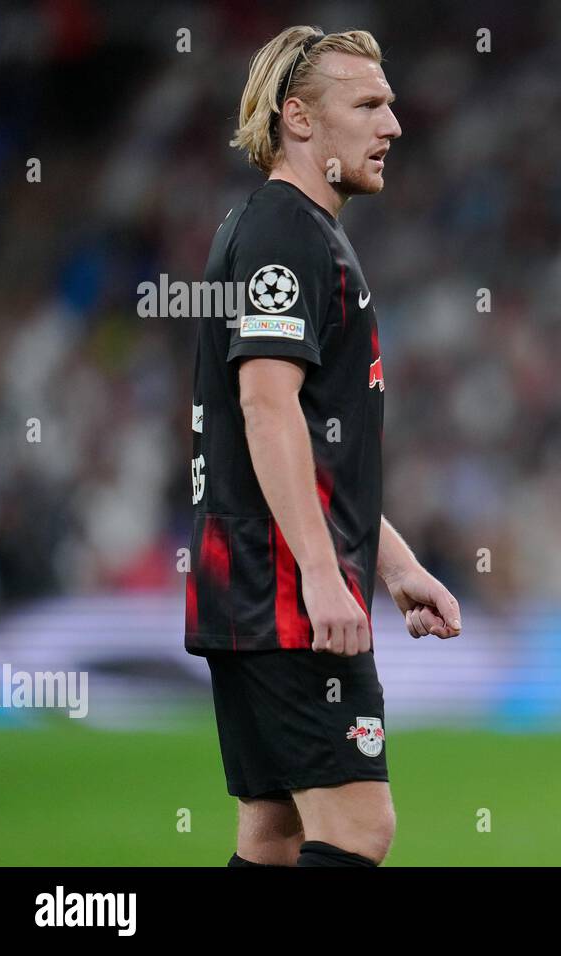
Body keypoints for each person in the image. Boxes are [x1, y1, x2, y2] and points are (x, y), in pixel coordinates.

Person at [185, 25, 461, 867]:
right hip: (281, 590)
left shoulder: (273, 227)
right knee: (357, 827)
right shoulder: (287, 234)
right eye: (369, 104)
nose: (394, 125)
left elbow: (309, 441)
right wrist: (319, 576)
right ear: (299, 119)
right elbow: (266, 410)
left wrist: (394, 564)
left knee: (276, 832)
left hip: (253, 582)